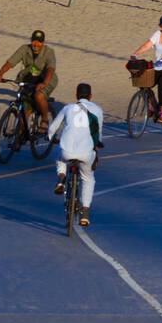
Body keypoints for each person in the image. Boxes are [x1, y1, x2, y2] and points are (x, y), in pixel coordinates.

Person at [49, 82, 104, 228]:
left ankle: (61, 178)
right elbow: (98, 134)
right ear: (90, 96)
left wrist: (49, 137)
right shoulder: (97, 110)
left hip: (68, 152)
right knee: (88, 178)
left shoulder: (67, 108)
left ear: (76, 95)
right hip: (86, 153)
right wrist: (97, 147)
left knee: (60, 153)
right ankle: (85, 212)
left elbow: (53, 127)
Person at [0, 30, 57, 130]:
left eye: (39, 42)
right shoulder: (24, 49)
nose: (36, 44)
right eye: (34, 41)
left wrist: (44, 83)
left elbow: (50, 69)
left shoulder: (49, 52)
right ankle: (20, 135)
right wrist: (0, 74)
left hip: (47, 78)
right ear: (31, 40)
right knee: (24, 104)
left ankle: (44, 119)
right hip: (29, 78)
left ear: (43, 43)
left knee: (39, 95)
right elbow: (11, 62)